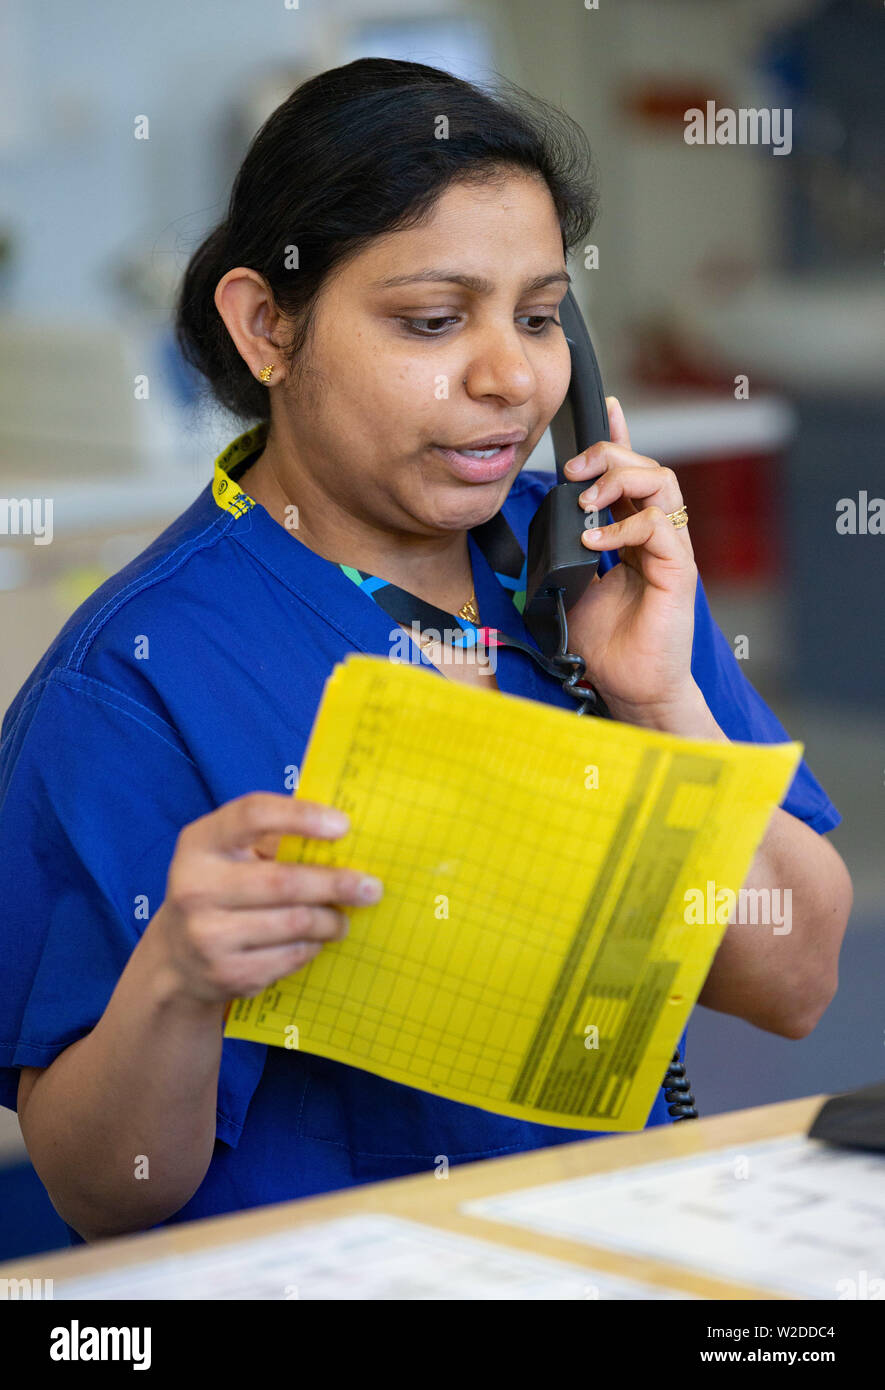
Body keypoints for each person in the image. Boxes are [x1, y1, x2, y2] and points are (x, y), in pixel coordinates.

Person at [0, 58, 851, 1246]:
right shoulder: (134, 679)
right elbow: (107, 1188)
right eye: (434, 321)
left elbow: (798, 980)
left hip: (608, 1254)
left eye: (543, 317)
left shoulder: (597, 572)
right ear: (268, 327)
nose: (510, 376)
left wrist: (660, 695)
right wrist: (177, 984)